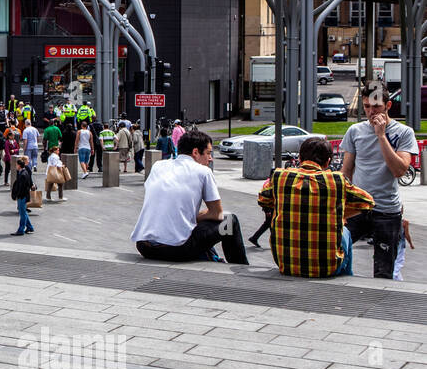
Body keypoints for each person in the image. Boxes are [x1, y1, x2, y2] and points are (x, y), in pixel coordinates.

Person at [257, 136, 374, 277]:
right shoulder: (336, 180)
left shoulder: (280, 177)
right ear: (328, 162)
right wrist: (340, 214)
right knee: (345, 233)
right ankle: (347, 278)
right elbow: (368, 202)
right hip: (327, 268)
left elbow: (263, 198)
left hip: (286, 264)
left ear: (300, 158)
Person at [130, 129, 248, 264]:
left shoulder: (159, 166)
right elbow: (218, 214)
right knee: (230, 220)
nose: (210, 158)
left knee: (195, 227)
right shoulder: (203, 172)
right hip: (176, 249)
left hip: (144, 246)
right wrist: (196, 217)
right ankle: (241, 267)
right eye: (209, 153)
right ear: (195, 152)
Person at [341, 83, 418, 279]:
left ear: (388, 106)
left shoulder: (404, 133)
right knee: (336, 253)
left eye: (376, 107)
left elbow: (400, 170)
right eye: (366, 106)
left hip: (386, 210)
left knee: (384, 270)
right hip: (357, 207)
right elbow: (346, 171)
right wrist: (340, 204)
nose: (371, 112)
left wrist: (381, 136)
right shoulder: (355, 131)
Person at [10, 155, 35, 236]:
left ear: (19, 166)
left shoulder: (23, 174)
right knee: (23, 212)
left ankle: (21, 229)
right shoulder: (23, 172)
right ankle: (30, 227)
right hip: (23, 195)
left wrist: (18, 195)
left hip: (22, 196)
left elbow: (22, 187)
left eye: (17, 165)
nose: (16, 166)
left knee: (22, 213)